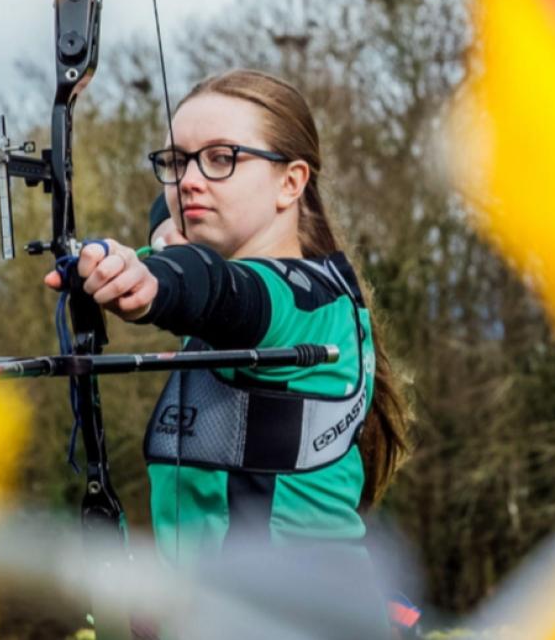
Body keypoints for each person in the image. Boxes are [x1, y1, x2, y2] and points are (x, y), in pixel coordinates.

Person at [45, 69, 411, 631]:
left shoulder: (306, 299)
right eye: (176, 161)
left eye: (221, 158)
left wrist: (149, 283)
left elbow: (221, 291)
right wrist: (162, 244)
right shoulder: (296, 283)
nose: (190, 179)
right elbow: (186, 245)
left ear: (291, 183)